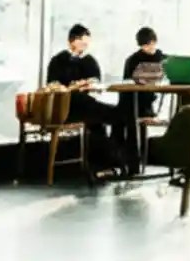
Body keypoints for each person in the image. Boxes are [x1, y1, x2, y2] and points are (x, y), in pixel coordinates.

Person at [45, 24, 123, 174]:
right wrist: (72, 87)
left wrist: (86, 84)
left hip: (86, 102)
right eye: (82, 42)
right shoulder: (58, 60)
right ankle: (111, 162)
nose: (85, 46)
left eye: (87, 43)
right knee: (109, 116)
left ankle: (109, 161)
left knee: (109, 117)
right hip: (66, 106)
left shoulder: (89, 60)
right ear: (72, 40)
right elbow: (52, 85)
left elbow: (96, 82)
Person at [116, 27, 165, 167]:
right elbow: (127, 82)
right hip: (132, 101)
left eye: (150, 44)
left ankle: (135, 161)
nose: (147, 48)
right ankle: (131, 162)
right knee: (128, 118)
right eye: (144, 45)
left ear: (155, 42)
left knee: (131, 119)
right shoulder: (132, 60)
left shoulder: (162, 58)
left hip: (148, 103)